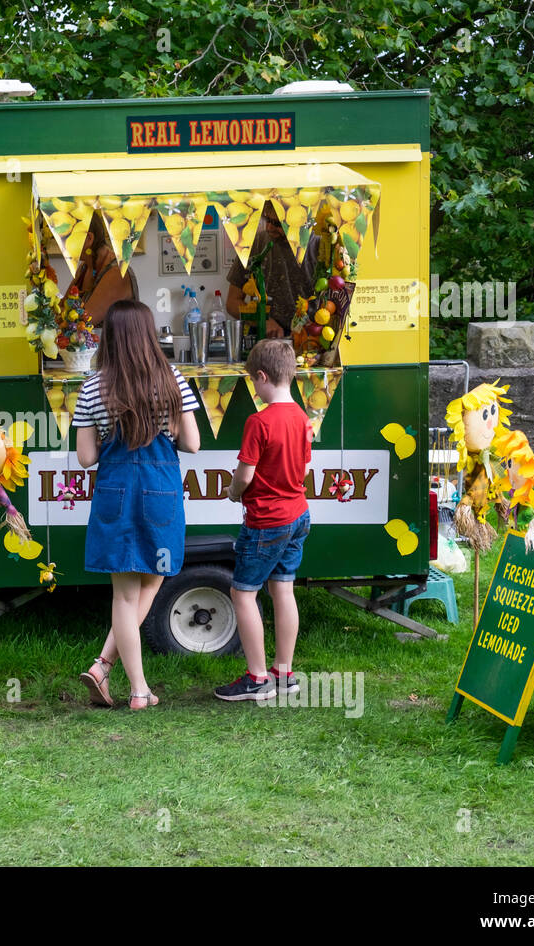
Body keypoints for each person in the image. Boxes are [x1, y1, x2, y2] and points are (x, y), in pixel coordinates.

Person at [75, 300, 201, 710]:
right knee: (156, 574)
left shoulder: (92, 386)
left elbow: (87, 458)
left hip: (116, 492)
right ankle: (138, 689)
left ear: (109, 336)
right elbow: (192, 444)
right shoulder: (171, 379)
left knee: (128, 594)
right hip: (159, 489)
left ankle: (106, 668)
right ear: (149, 334)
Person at [215, 338, 313, 701]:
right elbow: (304, 467)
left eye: (252, 383)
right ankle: (284, 673)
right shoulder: (303, 418)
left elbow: (245, 474)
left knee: (242, 593)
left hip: (267, 519)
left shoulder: (259, 421)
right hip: (299, 513)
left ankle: (256, 678)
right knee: (283, 589)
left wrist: (233, 492)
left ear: (261, 376)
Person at [224, 205, 318, 339]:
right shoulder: (256, 244)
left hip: (310, 342)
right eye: (267, 220)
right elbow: (232, 302)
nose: (269, 228)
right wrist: (262, 321)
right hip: (266, 342)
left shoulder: (320, 247)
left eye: (277, 223)